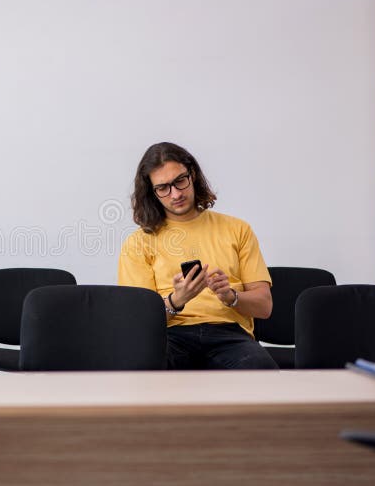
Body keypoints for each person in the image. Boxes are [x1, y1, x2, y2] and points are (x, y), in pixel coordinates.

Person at [118, 142, 278, 369]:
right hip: (170, 336)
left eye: (180, 181)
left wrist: (231, 296)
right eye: (163, 188)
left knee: (262, 370)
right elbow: (137, 322)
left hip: (229, 334)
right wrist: (177, 301)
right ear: (152, 192)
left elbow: (264, 306)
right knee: (141, 367)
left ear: (192, 174)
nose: (175, 194)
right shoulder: (138, 242)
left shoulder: (237, 229)